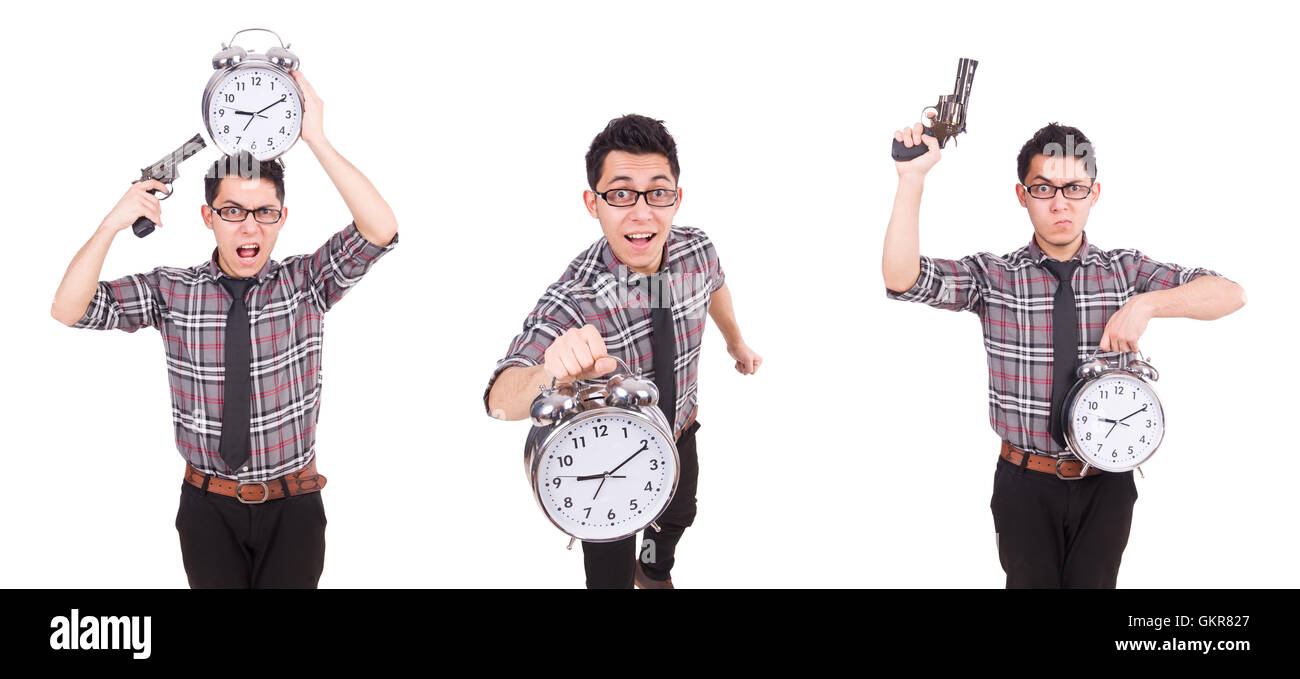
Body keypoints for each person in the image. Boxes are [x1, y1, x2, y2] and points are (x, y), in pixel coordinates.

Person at [50, 71, 399, 588]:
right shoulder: (173, 291)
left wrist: (317, 139)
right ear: (208, 217)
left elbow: (381, 228)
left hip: (294, 507)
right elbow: (70, 308)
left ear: (282, 218)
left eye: (264, 212)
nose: (249, 227)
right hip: (207, 509)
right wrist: (110, 225)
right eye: (233, 211)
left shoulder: (307, 282)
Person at [881, 120, 1245, 588]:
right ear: (1021, 195)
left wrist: (1148, 303)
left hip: (1107, 482)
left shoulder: (1126, 272)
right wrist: (912, 180)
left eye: (1074, 187)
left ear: (1094, 194)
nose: (1059, 203)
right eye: (1043, 188)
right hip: (1024, 483)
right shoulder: (994, 277)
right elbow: (902, 277)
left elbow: (1230, 294)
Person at [485, 114, 761, 589]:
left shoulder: (697, 250)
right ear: (594, 203)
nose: (641, 212)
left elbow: (715, 288)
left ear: (677, 197)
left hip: (679, 428)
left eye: (657, 191)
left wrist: (735, 341)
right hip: (607, 462)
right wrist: (549, 369)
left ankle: (653, 572)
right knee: (609, 575)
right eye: (620, 194)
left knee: (676, 516)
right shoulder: (576, 297)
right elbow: (499, 400)